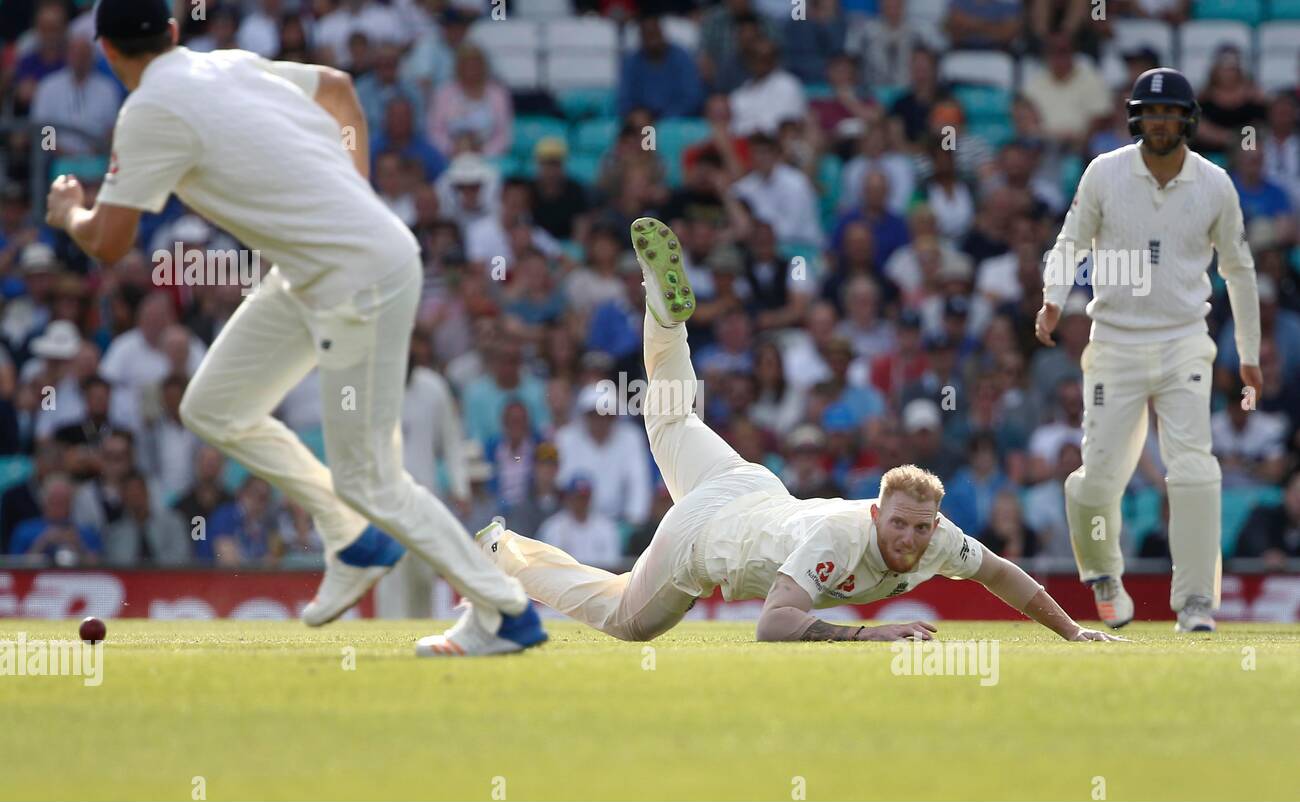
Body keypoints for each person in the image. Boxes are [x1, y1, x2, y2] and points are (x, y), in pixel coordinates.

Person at [45, 0, 545, 653]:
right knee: (214, 407)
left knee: (370, 478)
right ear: (172, 32)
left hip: (352, 280)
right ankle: (351, 538)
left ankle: (505, 611)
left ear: (107, 53)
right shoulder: (228, 63)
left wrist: (69, 212)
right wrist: (355, 194)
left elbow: (109, 243)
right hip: (322, 270)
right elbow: (339, 89)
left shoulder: (146, 112)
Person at [420, 217, 1125, 650]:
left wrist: (1070, 630)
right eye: (903, 527)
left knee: (667, 413)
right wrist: (868, 635)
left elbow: (1001, 573)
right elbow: (774, 625)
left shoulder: (932, 534)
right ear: (877, 513)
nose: (912, 542)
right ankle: (505, 556)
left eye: (921, 530)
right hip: (702, 538)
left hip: (748, 484)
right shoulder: (843, 538)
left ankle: (663, 310)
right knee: (626, 622)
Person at [1036, 68, 1261, 633]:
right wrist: (1052, 301)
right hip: (1114, 339)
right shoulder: (1105, 173)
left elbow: (1238, 269)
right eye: (1151, 112)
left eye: (1170, 113)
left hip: (1185, 339)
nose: (1161, 122)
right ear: (1138, 117)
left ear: (1188, 119)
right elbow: (1071, 240)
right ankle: (1104, 576)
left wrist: (1250, 352)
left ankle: (1195, 604)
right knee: (1100, 480)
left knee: (1194, 472)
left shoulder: (1214, 184)